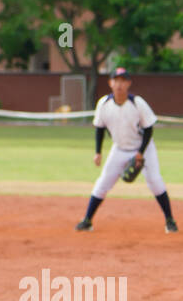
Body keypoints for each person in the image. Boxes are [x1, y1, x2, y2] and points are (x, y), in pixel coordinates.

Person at [76, 67, 177, 233]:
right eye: (116, 80)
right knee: (103, 183)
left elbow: (149, 129)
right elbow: (99, 128)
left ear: (129, 83)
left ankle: (170, 221)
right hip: (120, 148)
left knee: (155, 181)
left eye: (123, 81)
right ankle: (87, 220)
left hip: (143, 148)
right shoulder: (104, 104)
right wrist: (98, 152)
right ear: (110, 83)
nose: (119, 84)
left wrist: (140, 153)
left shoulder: (137, 103)